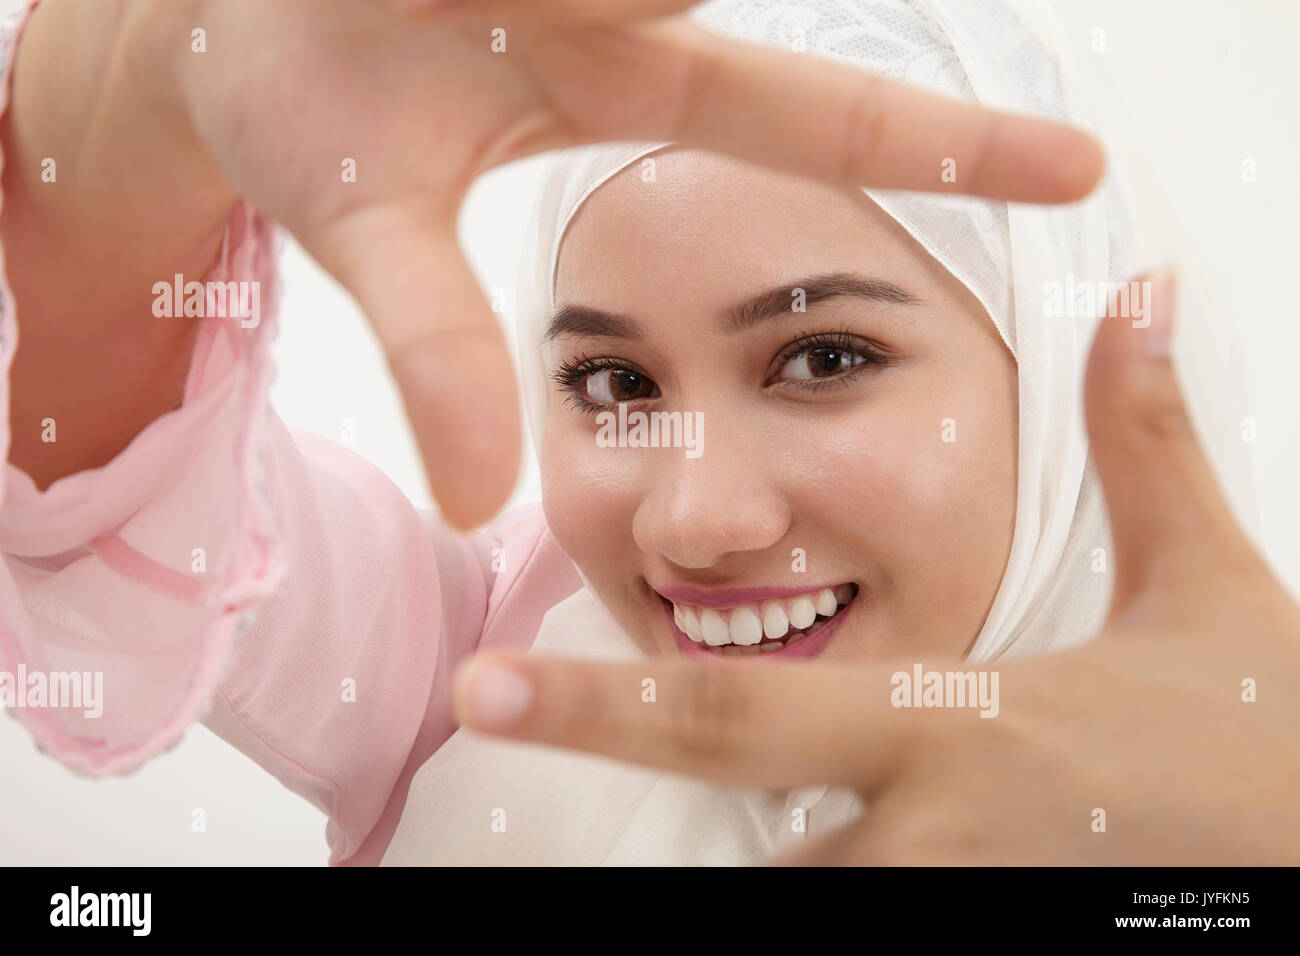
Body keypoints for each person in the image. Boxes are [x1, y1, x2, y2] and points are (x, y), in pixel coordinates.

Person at [2, 0, 1290, 867]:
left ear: (1059, 378)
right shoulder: (494, 675)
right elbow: (96, 483)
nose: (693, 523)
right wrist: (105, 147)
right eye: (615, 384)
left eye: (823, 358)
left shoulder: (1232, 795)